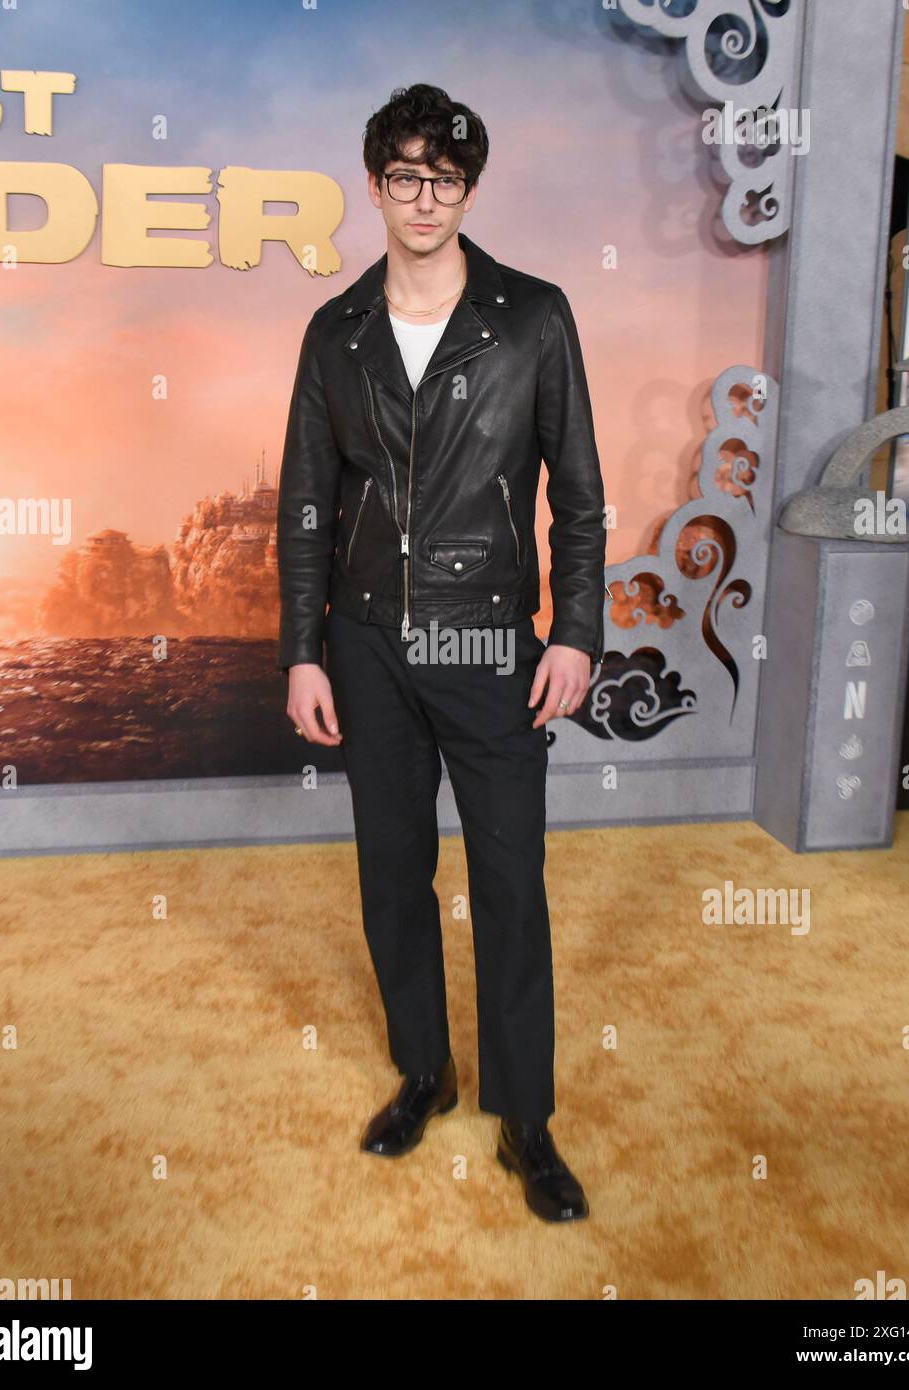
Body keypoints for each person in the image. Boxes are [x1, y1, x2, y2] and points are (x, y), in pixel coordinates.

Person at [276, 83, 606, 1223]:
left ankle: (527, 1121)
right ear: (374, 185)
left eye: (445, 179)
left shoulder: (532, 318)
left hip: (486, 642)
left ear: (469, 189)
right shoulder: (337, 329)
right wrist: (303, 652)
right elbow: (308, 501)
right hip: (364, 644)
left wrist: (576, 633)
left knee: (511, 882)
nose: (424, 199)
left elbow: (582, 500)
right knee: (390, 873)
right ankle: (424, 1070)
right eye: (404, 177)